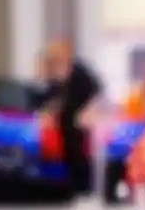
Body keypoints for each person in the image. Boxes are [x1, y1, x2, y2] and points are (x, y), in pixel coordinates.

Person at [41, 41, 102, 198]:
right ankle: (70, 187)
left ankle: (83, 188)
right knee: (67, 153)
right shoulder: (59, 74)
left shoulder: (79, 71)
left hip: (79, 121)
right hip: (65, 122)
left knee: (80, 153)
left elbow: (96, 89)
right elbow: (55, 96)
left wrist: (89, 110)